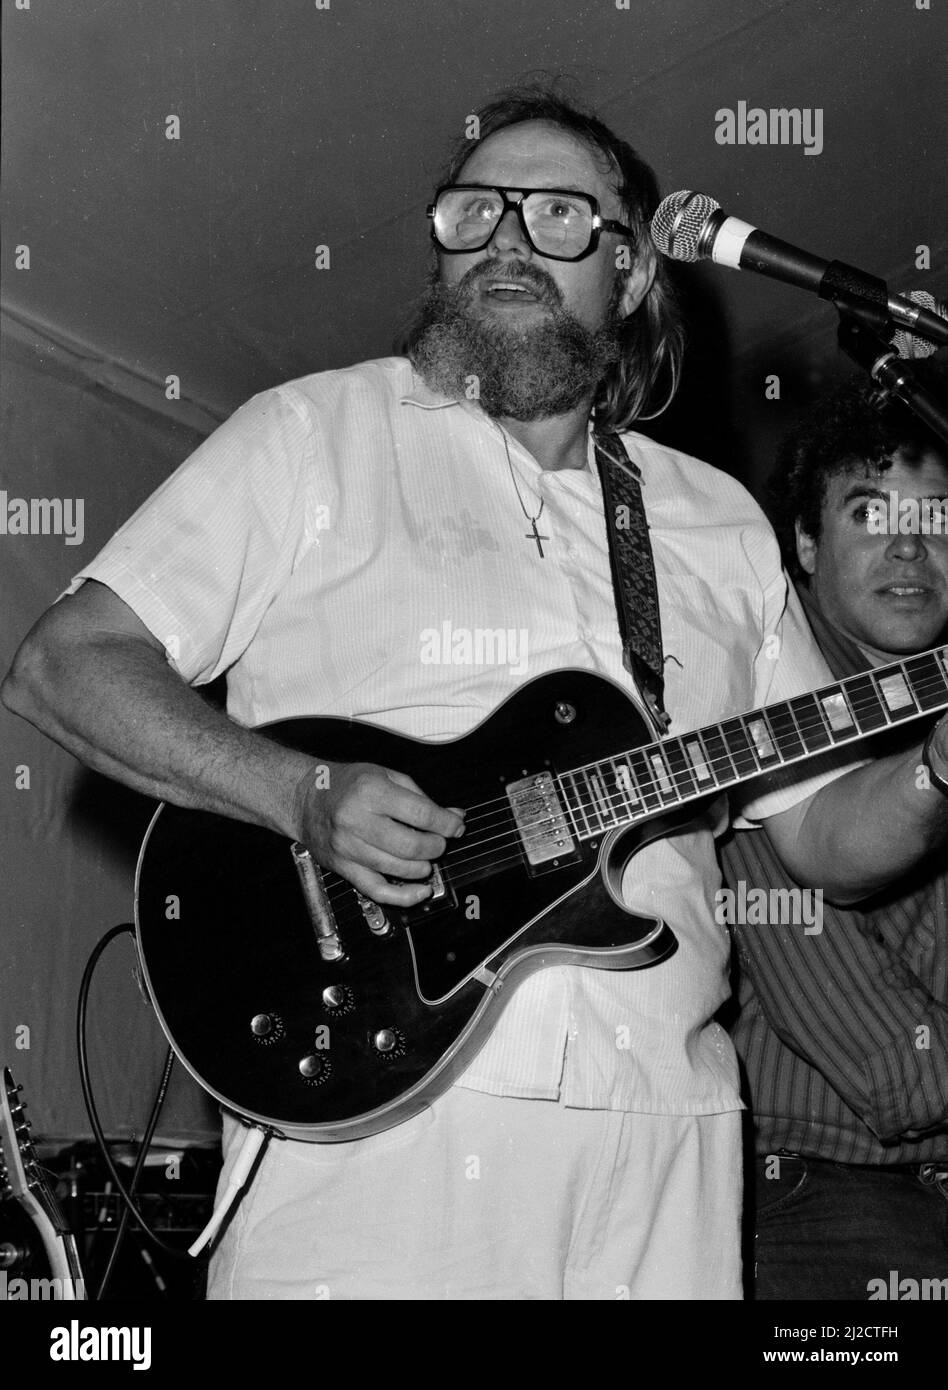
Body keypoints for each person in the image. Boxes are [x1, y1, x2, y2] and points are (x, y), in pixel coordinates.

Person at [3, 88, 948, 1301]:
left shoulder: (716, 521)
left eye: (558, 212)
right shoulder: (314, 433)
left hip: (669, 1127)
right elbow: (68, 661)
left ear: (631, 269)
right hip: (383, 1118)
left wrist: (930, 772)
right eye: (474, 209)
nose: (504, 236)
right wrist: (302, 791)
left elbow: (824, 833)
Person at [719, 370, 948, 1300]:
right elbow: (885, 1060)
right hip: (825, 1203)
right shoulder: (760, 694)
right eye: (869, 510)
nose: (910, 544)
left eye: (939, 516)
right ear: (804, 545)